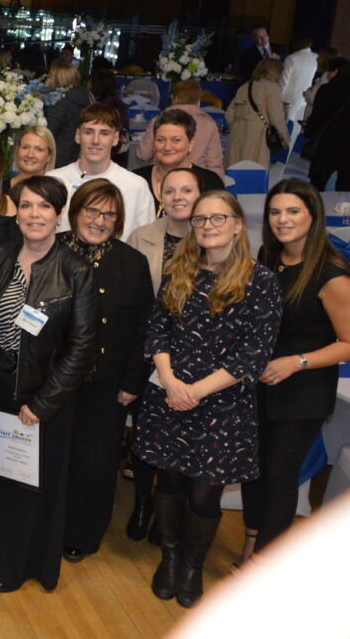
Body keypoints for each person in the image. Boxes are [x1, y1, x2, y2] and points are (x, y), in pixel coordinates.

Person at [133, 190, 281, 608]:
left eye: (218, 218)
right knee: (171, 482)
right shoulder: (179, 269)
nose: (208, 226)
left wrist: (195, 390)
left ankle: (193, 564)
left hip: (223, 406)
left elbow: (254, 352)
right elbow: (157, 329)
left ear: (238, 224)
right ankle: (172, 556)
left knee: (203, 494)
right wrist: (169, 378)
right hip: (170, 393)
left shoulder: (261, 281)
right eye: (200, 220)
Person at [0, 175, 97, 593]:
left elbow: (82, 347)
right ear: (16, 213)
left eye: (44, 207)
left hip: (42, 392)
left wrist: (43, 403)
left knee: (27, 483)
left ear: (58, 215)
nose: (34, 214)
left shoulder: (76, 271)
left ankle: (14, 565)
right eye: (27, 205)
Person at [237, 180, 350, 566]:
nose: (282, 220)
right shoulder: (269, 257)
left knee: (280, 476)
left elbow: (348, 343)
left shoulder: (331, 274)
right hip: (261, 385)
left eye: (293, 211)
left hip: (303, 393)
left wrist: (296, 361)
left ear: (313, 216)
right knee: (252, 469)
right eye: (275, 212)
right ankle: (252, 541)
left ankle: (261, 563)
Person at [58, 180, 153, 563]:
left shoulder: (132, 262)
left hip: (107, 384)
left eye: (108, 214)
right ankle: (46, 526)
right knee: (53, 458)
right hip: (52, 382)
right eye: (92, 211)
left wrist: (132, 382)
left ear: (118, 221)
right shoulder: (52, 248)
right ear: (75, 210)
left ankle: (82, 533)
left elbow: (144, 327)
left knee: (94, 463)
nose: (99, 220)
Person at [123, 167, 203, 542]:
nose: (178, 197)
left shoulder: (212, 239)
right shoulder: (142, 236)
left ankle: (171, 512)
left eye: (186, 190)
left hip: (195, 357)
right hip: (147, 353)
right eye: (170, 190)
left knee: (182, 437)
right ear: (160, 195)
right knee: (145, 434)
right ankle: (142, 502)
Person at [46, 103, 156, 240]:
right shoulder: (53, 181)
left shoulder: (136, 186)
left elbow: (146, 242)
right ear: (78, 135)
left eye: (104, 133)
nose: (95, 141)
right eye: (88, 132)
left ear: (115, 138)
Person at [132, 80, 226, 178]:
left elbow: (142, 154)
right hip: (196, 180)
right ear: (198, 99)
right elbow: (215, 164)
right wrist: (217, 188)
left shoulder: (159, 120)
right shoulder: (209, 123)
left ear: (174, 97)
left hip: (162, 178)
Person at [132, 109, 225, 204]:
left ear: (191, 144)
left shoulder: (209, 182)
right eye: (160, 140)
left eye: (176, 140)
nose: (167, 147)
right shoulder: (136, 179)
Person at [226, 57, 288, 167]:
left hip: (237, 135)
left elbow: (229, 114)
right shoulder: (272, 88)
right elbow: (276, 117)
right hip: (258, 135)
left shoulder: (244, 87)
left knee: (234, 173)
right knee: (253, 173)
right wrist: (285, 139)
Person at [303, 57, 350, 190]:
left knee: (317, 185)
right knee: (344, 188)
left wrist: (309, 132)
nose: (327, 75)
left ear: (336, 71)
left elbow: (318, 117)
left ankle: (316, 209)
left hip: (327, 144)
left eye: (329, 71)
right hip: (347, 149)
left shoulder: (327, 89)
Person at [43, 59, 90, 167]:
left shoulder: (60, 102)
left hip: (57, 158)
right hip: (75, 155)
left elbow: (49, 134)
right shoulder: (84, 96)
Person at [280, 35, 317, 124]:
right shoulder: (316, 57)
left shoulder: (292, 58)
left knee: (285, 129)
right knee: (296, 128)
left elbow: (283, 81)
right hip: (304, 100)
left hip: (288, 100)